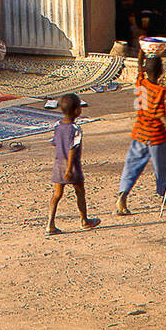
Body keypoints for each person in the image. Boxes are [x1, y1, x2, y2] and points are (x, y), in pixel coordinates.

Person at [117, 57, 166, 214]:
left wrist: (142, 51)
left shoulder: (141, 83)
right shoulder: (158, 92)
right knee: (164, 168)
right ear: (161, 72)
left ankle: (123, 196)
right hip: (156, 136)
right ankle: (165, 198)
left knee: (132, 166)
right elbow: (161, 116)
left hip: (140, 133)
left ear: (145, 71)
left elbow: (140, 67)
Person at [48, 93, 101, 233]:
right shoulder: (76, 129)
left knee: (57, 195)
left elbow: (55, 142)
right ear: (77, 111)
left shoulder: (58, 126)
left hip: (58, 163)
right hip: (71, 165)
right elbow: (72, 148)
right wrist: (69, 168)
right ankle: (84, 220)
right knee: (79, 192)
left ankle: (50, 224)